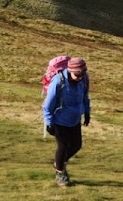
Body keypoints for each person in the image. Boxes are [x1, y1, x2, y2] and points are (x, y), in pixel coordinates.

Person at [42, 56, 90, 187]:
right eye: (77, 74)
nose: (80, 77)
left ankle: (59, 163)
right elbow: (48, 105)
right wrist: (49, 122)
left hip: (75, 119)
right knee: (63, 147)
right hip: (60, 120)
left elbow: (85, 96)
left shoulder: (83, 80)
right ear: (69, 71)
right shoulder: (58, 82)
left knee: (76, 145)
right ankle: (60, 174)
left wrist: (87, 112)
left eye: (83, 73)